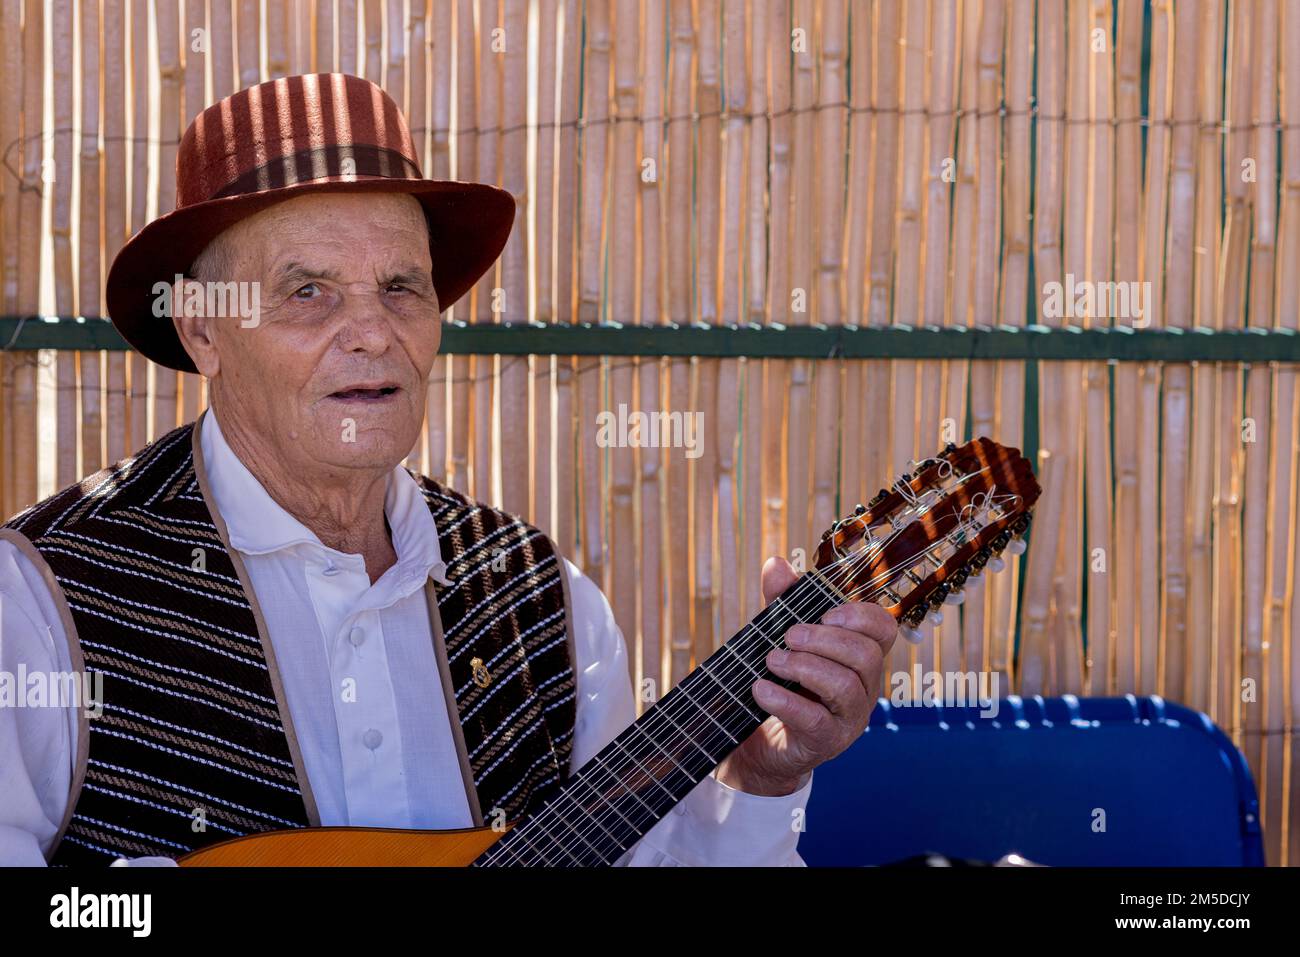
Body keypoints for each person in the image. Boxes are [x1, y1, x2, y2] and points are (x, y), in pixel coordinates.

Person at [0, 73, 896, 866]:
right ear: (202, 329)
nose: (371, 332)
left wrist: (760, 775)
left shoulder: (543, 602)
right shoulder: (39, 604)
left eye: (402, 287)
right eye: (307, 290)